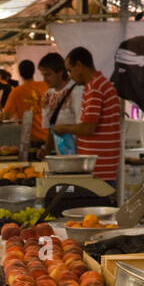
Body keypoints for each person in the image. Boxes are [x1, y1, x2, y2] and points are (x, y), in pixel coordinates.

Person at [53, 46, 122, 184]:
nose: (70, 76)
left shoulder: (95, 88)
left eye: (70, 70)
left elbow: (88, 128)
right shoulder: (98, 84)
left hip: (99, 168)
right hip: (101, 164)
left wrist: (62, 128)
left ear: (79, 65)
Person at [38, 53, 83, 151]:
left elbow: (83, 126)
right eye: (43, 75)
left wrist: (63, 128)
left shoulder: (77, 91)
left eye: (48, 74)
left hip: (79, 151)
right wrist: (46, 148)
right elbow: (50, 128)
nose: (45, 79)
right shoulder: (47, 95)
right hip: (61, 153)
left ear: (61, 72)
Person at [1, 58, 48, 143]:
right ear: (34, 71)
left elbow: (6, 116)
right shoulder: (45, 86)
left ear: (20, 73)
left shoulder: (16, 92)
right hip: (49, 137)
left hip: (30, 139)